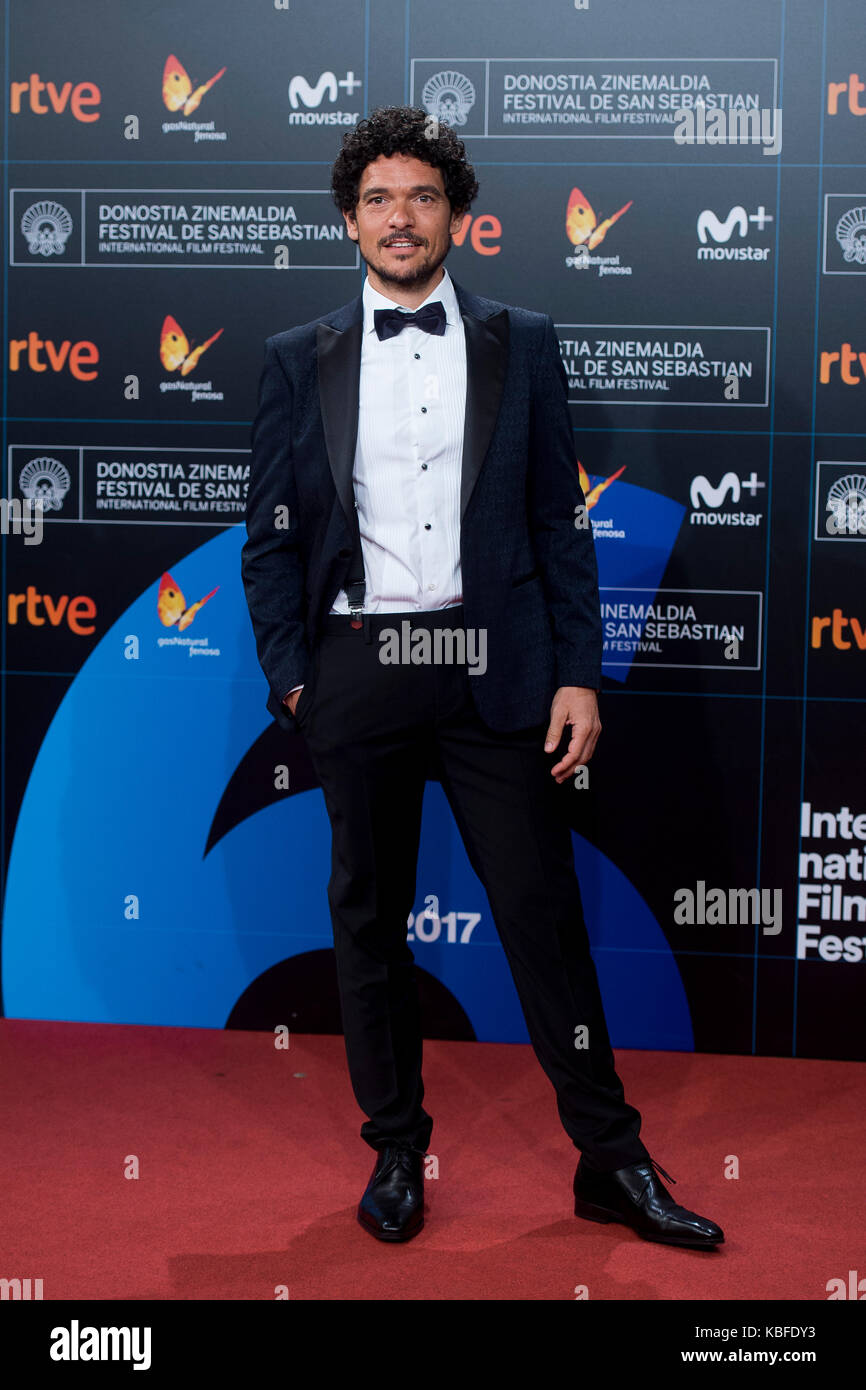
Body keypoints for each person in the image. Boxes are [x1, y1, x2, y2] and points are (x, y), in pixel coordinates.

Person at [241, 105, 723, 1251]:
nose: (398, 218)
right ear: (348, 222)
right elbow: (267, 537)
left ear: (457, 214)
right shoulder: (292, 359)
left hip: (491, 665)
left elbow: (558, 521)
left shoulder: (524, 339)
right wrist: (298, 682)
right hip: (359, 669)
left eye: (419, 197)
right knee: (368, 920)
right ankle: (398, 1153)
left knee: (541, 922)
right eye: (375, 200)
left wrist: (577, 673)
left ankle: (609, 1160)